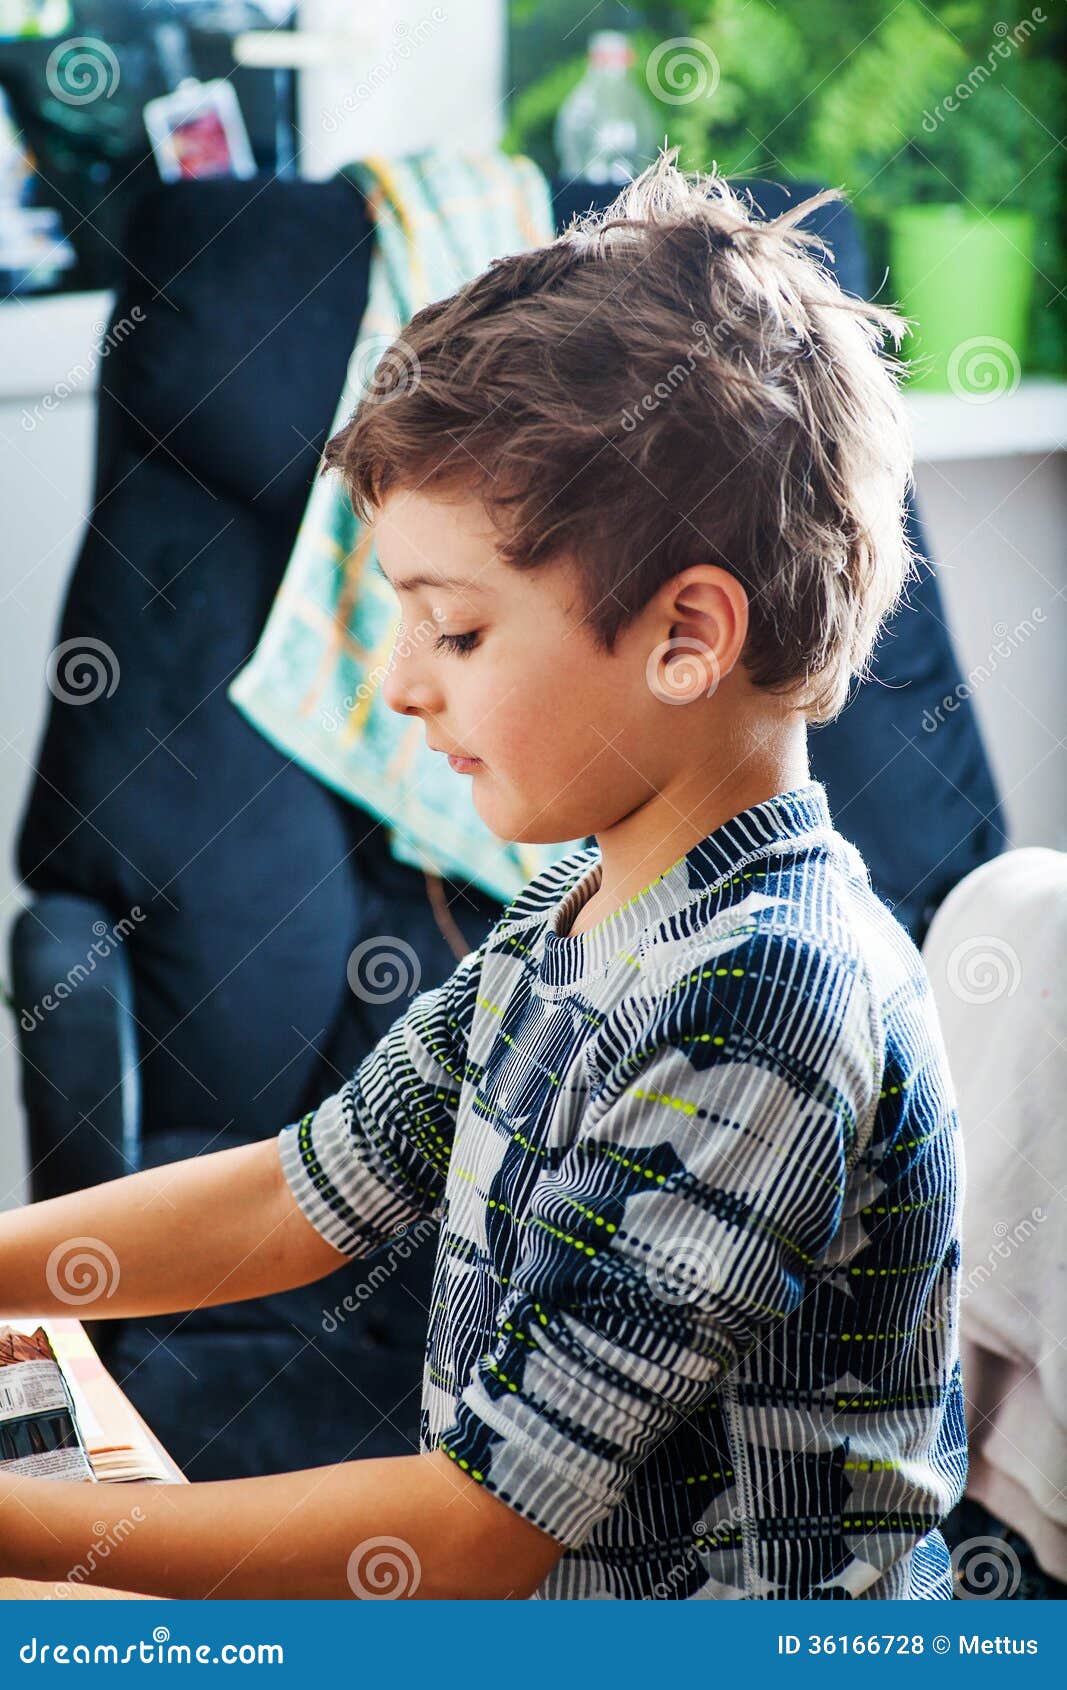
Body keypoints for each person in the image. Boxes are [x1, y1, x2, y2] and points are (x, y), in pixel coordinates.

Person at [0, 148, 966, 1600]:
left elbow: (470, 1535)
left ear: (685, 634)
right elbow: (295, 1198)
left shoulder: (762, 1003)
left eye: (453, 632)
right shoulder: (580, 908)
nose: (396, 686)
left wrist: (38, 1531)